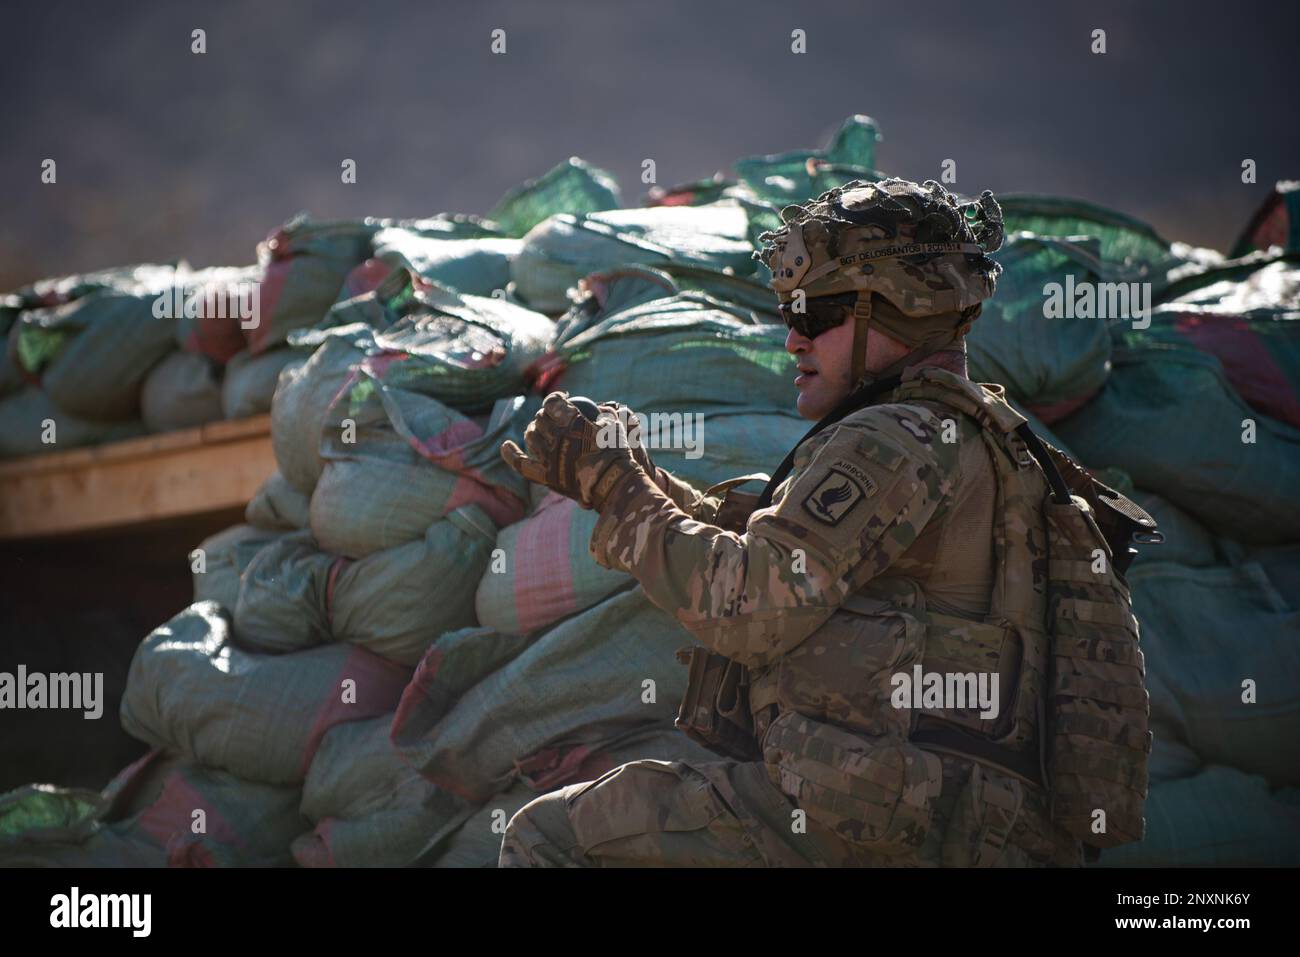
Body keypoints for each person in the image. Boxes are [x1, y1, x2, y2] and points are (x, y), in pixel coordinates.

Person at [495, 178, 1104, 867]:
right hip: (954, 816)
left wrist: (622, 493)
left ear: (897, 308)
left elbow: (750, 606)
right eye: (790, 312)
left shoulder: (895, 436)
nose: (791, 339)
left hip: (884, 819)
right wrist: (630, 484)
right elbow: (787, 558)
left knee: (548, 836)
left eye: (817, 315)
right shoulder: (982, 438)